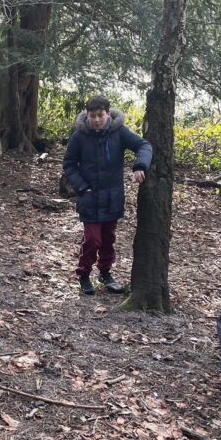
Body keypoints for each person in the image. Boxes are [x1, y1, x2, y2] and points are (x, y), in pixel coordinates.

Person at [62, 95, 153, 295]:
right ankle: (84, 274)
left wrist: (140, 166)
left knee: (108, 238)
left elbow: (144, 146)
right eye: (92, 116)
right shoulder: (79, 136)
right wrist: (82, 187)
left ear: (108, 114)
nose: (96, 120)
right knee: (92, 239)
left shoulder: (119, 132)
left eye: (100, 115)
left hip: (113, 197)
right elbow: (69, 164)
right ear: (87, 115)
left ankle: (105, 273)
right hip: (89, 197)